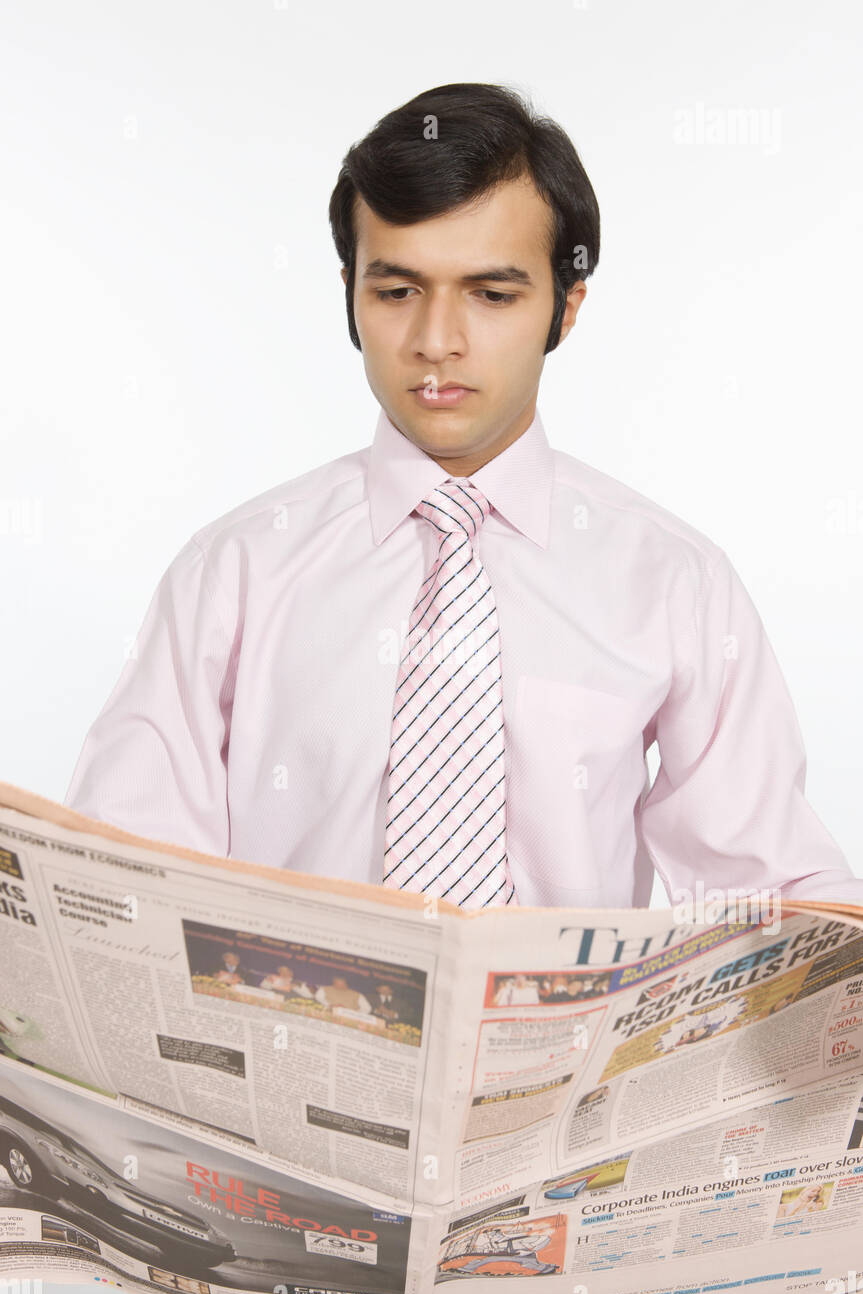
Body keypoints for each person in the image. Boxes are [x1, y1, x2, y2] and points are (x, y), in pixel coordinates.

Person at [62, 83, 863, 912]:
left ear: (565, 307)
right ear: (351, 297)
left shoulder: (676, 582)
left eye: (492, 294)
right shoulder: (231, 570)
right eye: (397, 290)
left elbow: (762, 885)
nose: (436, 340)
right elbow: (122, 879)